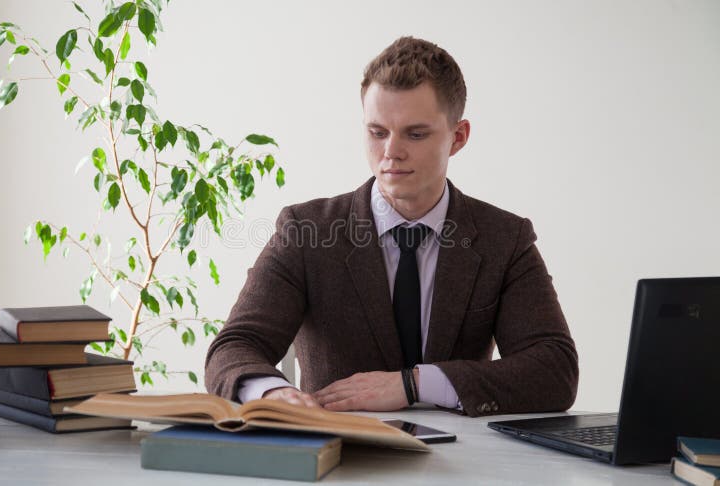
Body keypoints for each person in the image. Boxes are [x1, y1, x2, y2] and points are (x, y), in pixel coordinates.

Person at [204, 36, 578, 416]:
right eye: (377, 132)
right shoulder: (305, 230)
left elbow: (555, 371)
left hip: (464, 466)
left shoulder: (505, 239)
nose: (390, 152)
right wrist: (273, 395)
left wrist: (414, 385)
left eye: (415, 134)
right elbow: (233, 349)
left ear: (458, 137)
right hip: (338, 457)